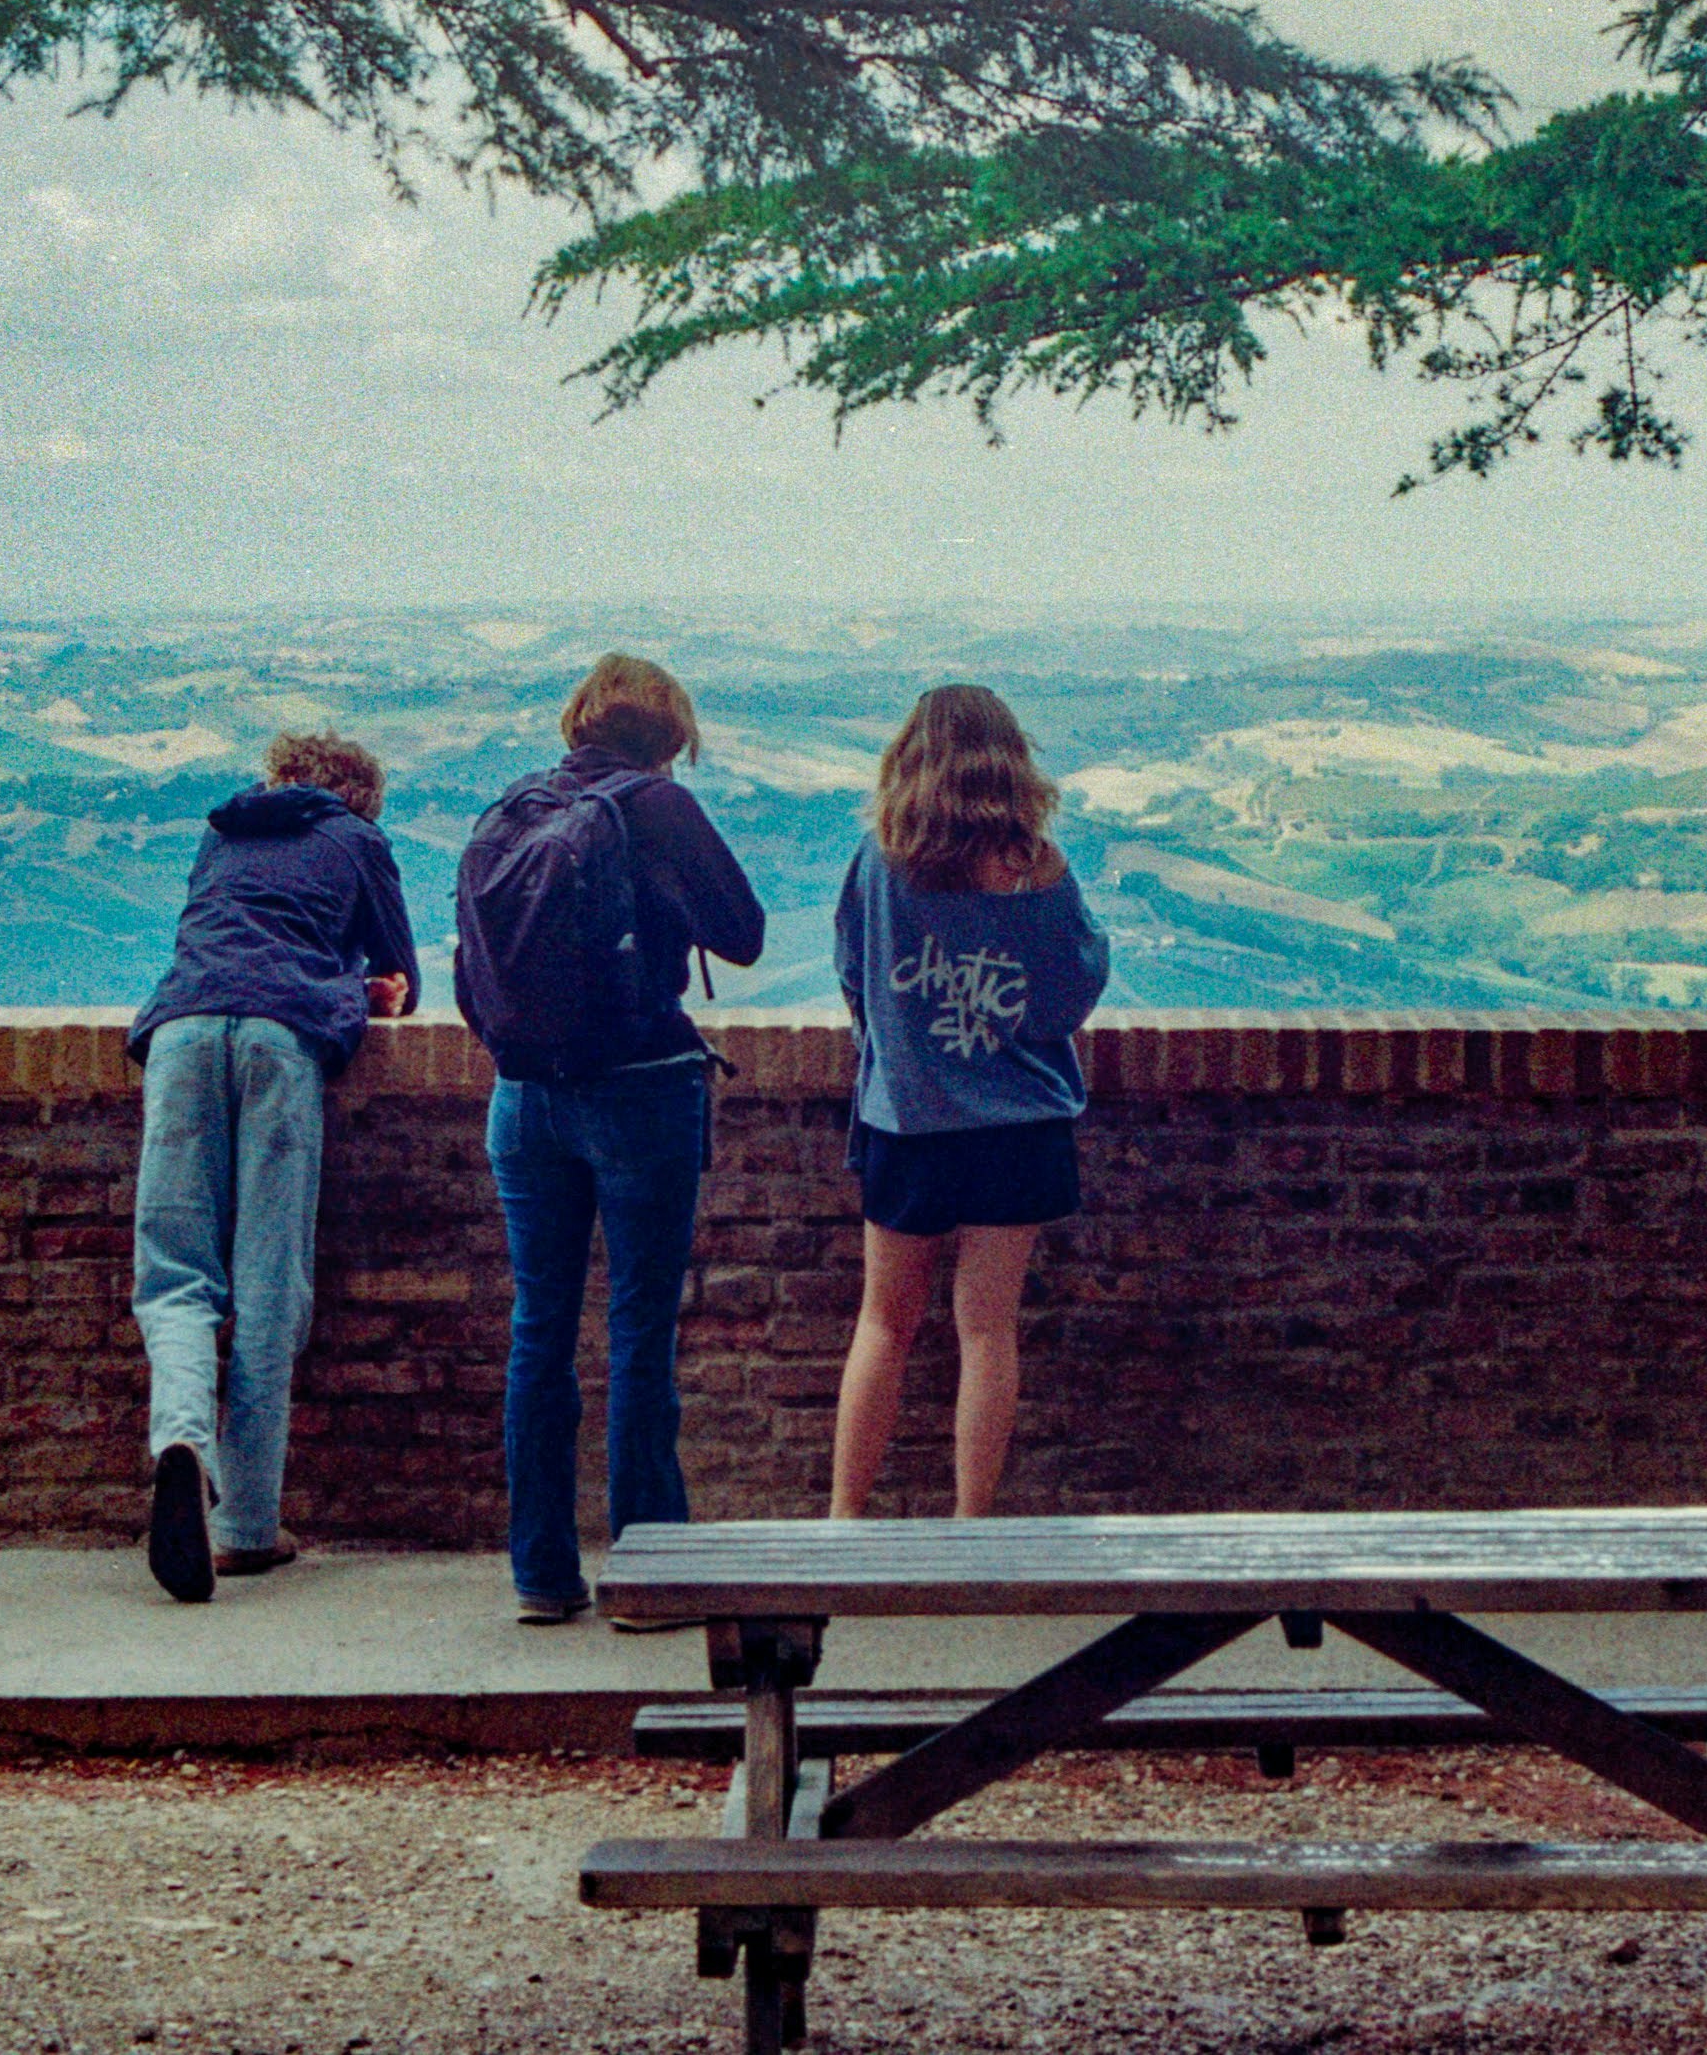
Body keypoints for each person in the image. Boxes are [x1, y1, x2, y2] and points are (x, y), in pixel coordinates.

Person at [455, 652, 765, 1624]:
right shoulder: (659, 807)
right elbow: (745, 933)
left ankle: (543, 1576)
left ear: (580, 719)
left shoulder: (517, 806)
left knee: (539, 1330)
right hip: (638, 1089)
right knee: (638, 1328)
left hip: (523, 1096)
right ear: (672, 732)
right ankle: (648, 1575)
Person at [125, 727, 416, 1605]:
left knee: (175, 1275)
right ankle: (247, 1527)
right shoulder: (358, 840)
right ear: (359, 796)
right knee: (267, 1285)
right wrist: (362, 989)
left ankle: (183, 1440)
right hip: (279, 1042)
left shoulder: (221, 831)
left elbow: (223, 937)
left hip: (181, 1033)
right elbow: (401, 974)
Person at [828, 684, 1109, 1518]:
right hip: (1015, 1128)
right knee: (986, 1330)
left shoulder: (879, 861)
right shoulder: (1037, 868)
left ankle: (843, 1519)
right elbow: (1069, 996)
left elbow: (853, 975)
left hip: (907, 1120)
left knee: (883, 1324)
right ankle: (970, 1523)